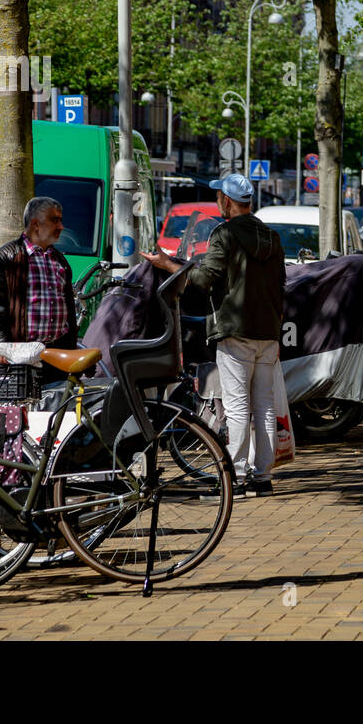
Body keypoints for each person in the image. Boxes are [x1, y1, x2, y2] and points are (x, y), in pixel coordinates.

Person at [141, 174, 286, 497]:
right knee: (263, 405)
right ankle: (261, 477)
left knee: (236, 405)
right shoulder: (272, 236)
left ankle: (232, 476)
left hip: (235, 330)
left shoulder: (225, 234)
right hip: (268, 332)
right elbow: (280, 284)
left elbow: (205, 278)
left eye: (219, 195)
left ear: (229, 202)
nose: (218, 199)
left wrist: (169, 265)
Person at [0, 197, 79, 384]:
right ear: (36, 224)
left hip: (56, 355)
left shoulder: (60, 261)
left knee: (55, 410)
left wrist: (71, 349)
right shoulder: (5, 259)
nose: (61, 226)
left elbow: (69, 310)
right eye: (55, 220)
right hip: (21, 357)